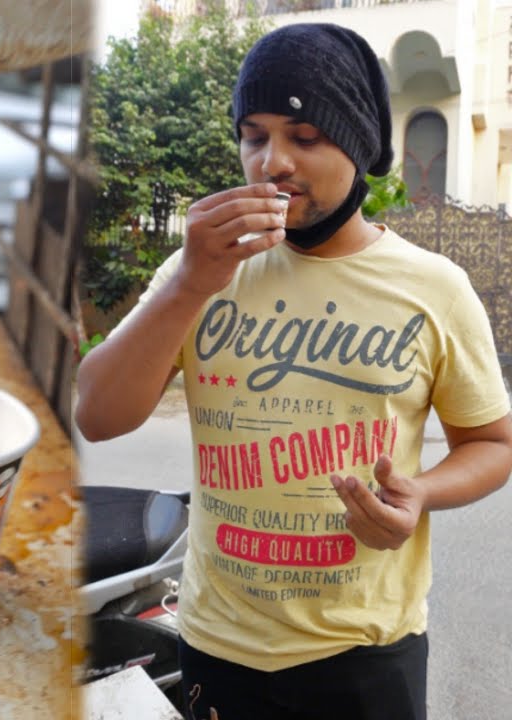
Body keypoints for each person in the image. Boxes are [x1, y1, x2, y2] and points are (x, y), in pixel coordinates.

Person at [75, 23, 512, 720]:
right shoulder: (200, 271)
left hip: (365, 652)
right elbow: (99, 416)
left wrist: (422, 493)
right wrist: (189, 281)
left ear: (361, 144)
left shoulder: (435, 287)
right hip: (218, 643)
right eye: (253, 134)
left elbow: (491, 444)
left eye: (304, 136)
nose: (270, 161)